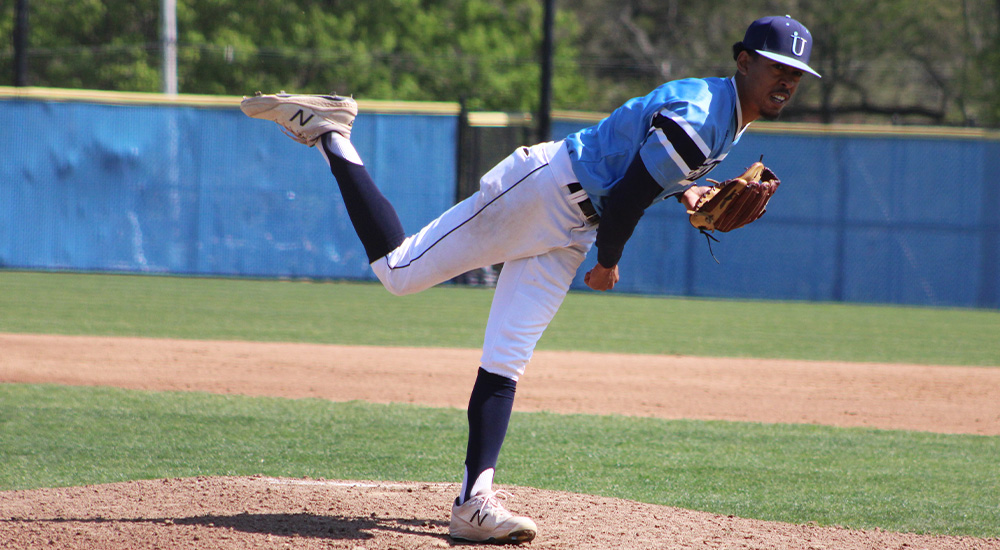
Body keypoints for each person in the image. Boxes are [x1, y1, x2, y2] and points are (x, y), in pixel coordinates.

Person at [241, 14, 820, 544]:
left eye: (796, 72)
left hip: (570, 224)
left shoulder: (726, 113)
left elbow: (640, 163)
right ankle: (330, 131)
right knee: (398, 272)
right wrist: (608, 262)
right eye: (778, 66)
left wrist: (685, 189)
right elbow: (624, 201)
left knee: (506, 359)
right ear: (744, 61)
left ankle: (472, 503)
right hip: (541, 194)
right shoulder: (705, 116)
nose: (787, 81)